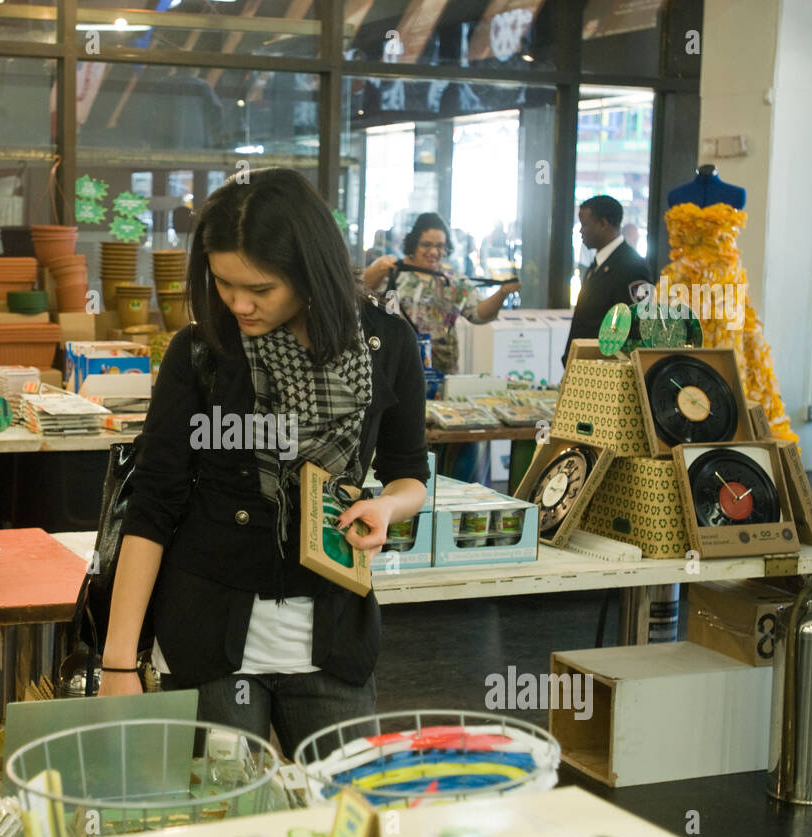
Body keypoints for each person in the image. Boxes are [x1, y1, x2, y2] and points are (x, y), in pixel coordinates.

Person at [98, 167, 430, 758]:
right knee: (224, 833)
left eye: (260, 288)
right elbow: (153, 505)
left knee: (344, 825)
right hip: (210, 638)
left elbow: (410, 474)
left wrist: (385, 506)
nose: (238, 303)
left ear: (311, 271)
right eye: (224, 284)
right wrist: (118, 662)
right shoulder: (203, 353)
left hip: (333, 635)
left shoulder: (388, 344)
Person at [363, 213, 519, 374]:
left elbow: (478, 314)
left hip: (440, 373)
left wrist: (502, 293)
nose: (433, 251)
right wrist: (378, 268)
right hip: (395, 367)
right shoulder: (392, 272)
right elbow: (361, 292)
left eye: (440, 246)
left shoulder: (453, 280)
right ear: (414, 242)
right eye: (426, 244)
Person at [563, 195, 653, 369]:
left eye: (585, 225)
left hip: (606, 372)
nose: (580, 231)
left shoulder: (632, 266)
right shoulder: (600, 262)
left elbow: (636, 326)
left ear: (603, 224)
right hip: (585, 366)